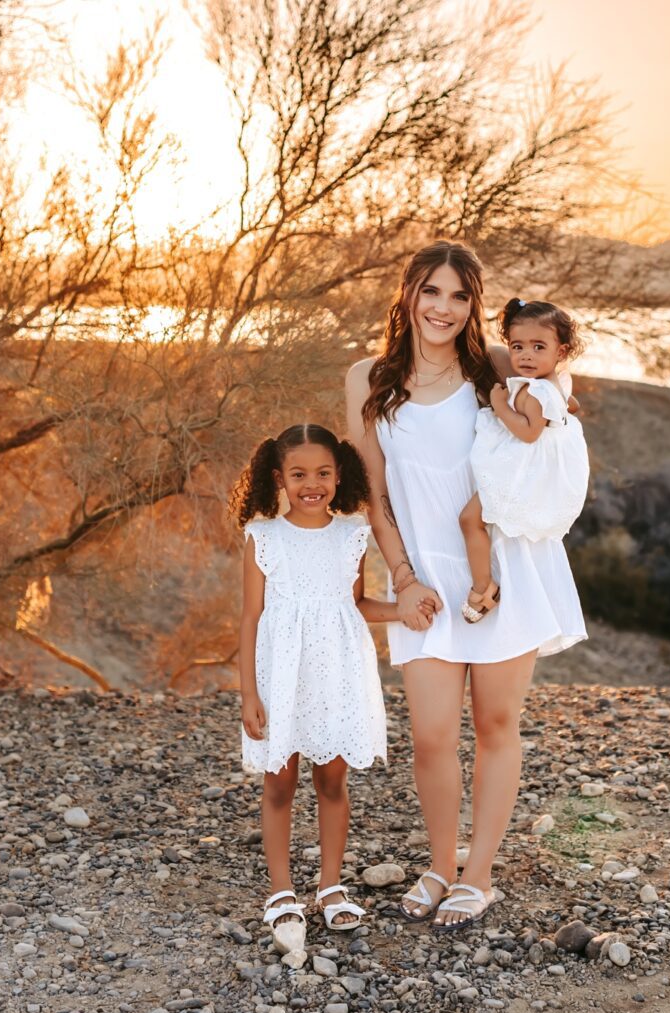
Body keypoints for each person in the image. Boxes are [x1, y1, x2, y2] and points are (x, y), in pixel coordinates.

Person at [344, 241, 586, 932]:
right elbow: (374, 495)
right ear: (408, 294)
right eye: (431, 292)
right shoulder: (367, 378)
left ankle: (477, 873)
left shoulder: (496, 368)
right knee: (429, 735)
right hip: (422, 577)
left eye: (458, 296)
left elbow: (557, 396)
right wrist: (405, 578)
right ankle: (438, 861)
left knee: (495, 723)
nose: (442, 308)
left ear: (473, 305)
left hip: (502, 569)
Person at [230, 423, 407, 953]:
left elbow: (355, 604)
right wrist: (248, 695)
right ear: (279, 477)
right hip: (280, 676)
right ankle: (282, 890)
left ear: (339, 474)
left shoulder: (352, 532)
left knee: (332, 783)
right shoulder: (263, 537)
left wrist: (404, 610)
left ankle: (331, 885)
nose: (313, 483)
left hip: (338, 674)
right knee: (279, 784)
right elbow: (249, 618)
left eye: (324, 473)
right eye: (300, 473)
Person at [459, 297, 590, 621]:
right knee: (481, 523)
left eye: (538, 347)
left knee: (469, 520)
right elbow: (570, 405)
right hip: (528, 468)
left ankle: (482, 588)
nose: (526, 355)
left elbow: (530, 432)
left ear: (561, 351)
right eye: (517, 347)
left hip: (519, 471)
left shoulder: (538, 391)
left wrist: (499, 405)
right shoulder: (552, 383)